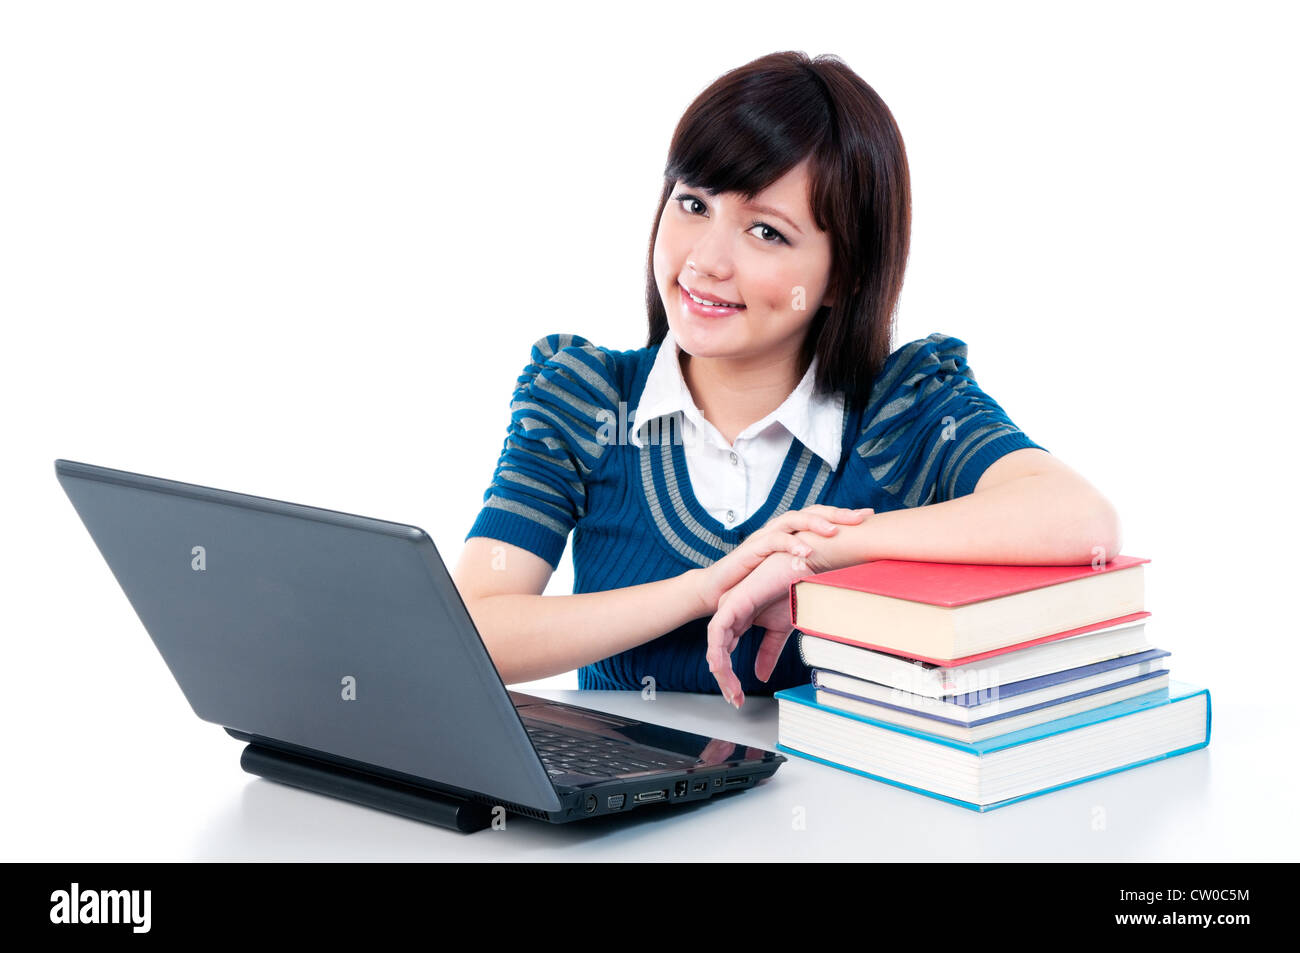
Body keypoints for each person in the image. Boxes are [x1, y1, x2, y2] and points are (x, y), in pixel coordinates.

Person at [452, 51, 1121, 710]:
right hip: (622, 815)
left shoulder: (902, 411)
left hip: (837, 809)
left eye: (766, 232)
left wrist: (817, 550)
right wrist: (708, 587)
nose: (707, 261)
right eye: (693, 203)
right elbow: (474, 632)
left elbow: (1081, 521)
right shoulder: (587, 399)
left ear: (846, 275)